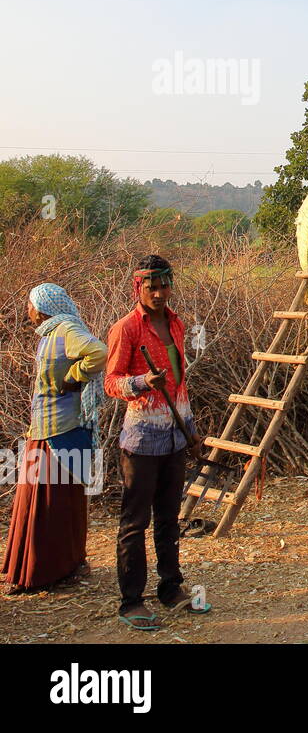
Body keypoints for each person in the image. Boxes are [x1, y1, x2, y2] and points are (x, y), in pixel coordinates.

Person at [105, 255, 210, 630]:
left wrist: (192, 431)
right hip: (142, 439)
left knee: (169, 517)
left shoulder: (178, 325)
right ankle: (131, 601)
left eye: (164, 285)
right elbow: (110, 381)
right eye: (151, 286)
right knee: (135, 522)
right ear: (138, 287)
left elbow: (181, 386)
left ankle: (171, 588)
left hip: (175, 439)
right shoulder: (127, 329)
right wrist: (140, 383)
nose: (159, 292)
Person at [2, 284, 106, 594]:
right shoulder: (52, 332)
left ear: (43, 306)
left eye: (30, 305)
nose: (28, 312)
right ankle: (34, 568)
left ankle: (47, 570)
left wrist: (74, 378)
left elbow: (98, 352)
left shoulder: (66, 328)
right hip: (46, 430)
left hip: (61, 432)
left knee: (52, 503)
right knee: (41, 502)